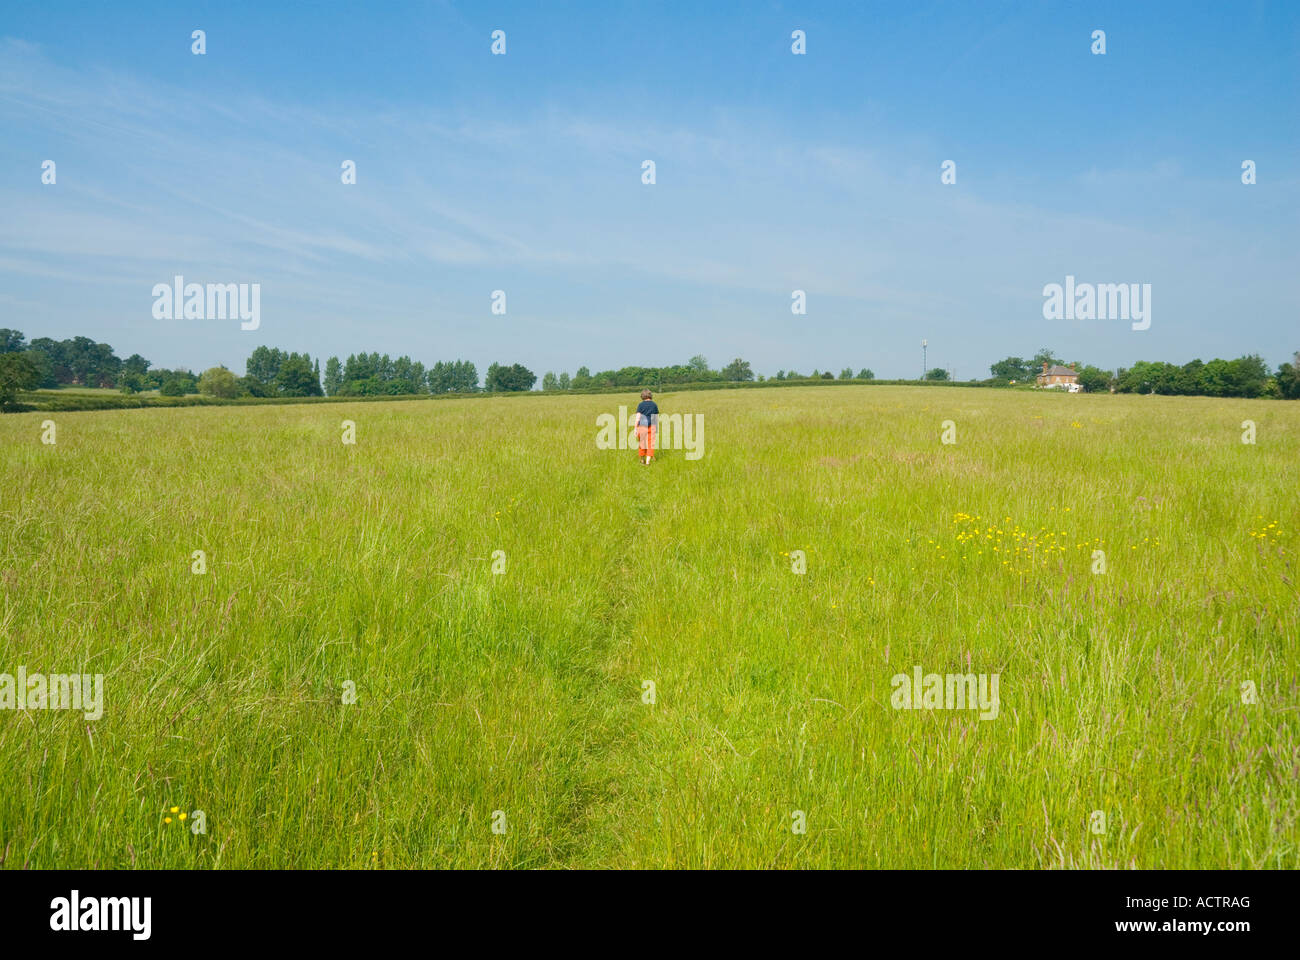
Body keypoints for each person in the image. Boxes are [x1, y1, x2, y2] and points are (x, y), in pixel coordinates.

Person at [634, 389, 659, 464]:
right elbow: (655, 417)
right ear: (650, 395)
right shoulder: (654, 404)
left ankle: (642, 459)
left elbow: (638, 417)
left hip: (642, 426)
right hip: (652, 426)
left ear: (642, 396)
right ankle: (648, 462)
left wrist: (635, 428)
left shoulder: (640, 405)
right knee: (650, 444)